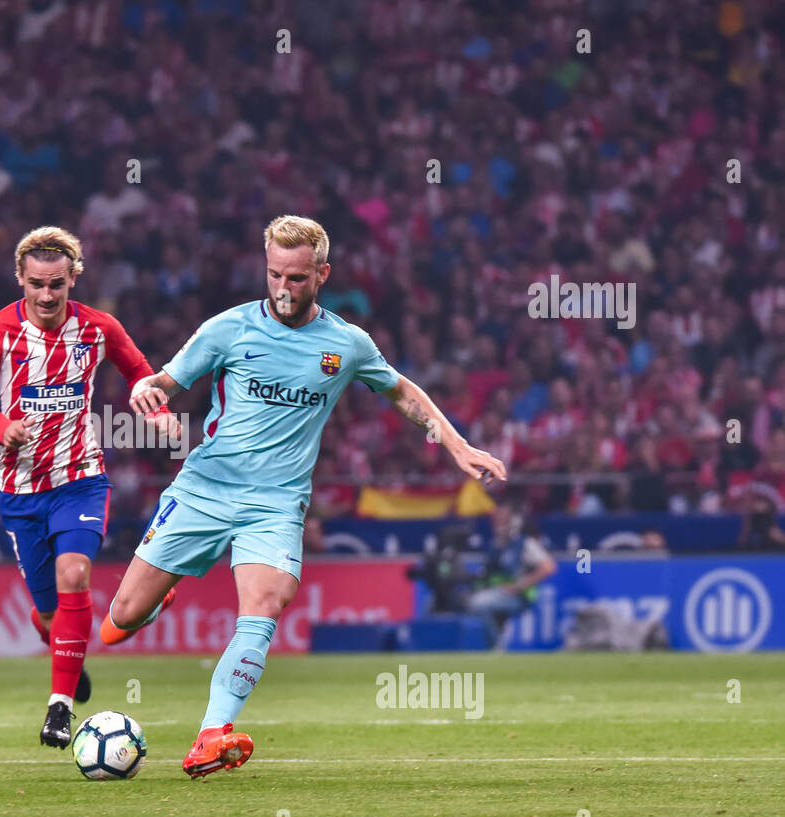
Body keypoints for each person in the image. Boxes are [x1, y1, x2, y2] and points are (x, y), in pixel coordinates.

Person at [99, 215, 507, 777]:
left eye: (296, 278)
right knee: (119, 621)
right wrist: (149, 395)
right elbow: (162, 383)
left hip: (275, 504)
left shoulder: (345, 344)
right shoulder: (228, 329)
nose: (283, 290)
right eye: (274, 276)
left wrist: (456, 445)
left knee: (265, 604)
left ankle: (210, 735)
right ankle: (162, 595)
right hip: (203, 491)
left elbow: (403, 392)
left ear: (322, 274)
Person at [0, 225, 179, 748]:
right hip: (20, 491)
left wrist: (158, 412)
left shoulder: (99, 329)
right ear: (20, 280)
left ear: (74, 277)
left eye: (57, 284)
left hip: (81, 481)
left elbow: (142, 375)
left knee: (75, 572)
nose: (46, 295)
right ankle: (64, 655)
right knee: (50, 612)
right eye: (36, 284)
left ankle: (58, 708)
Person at [464, 503, 556, 647]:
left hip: (518, 596)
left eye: (503, 520)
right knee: (462, 598)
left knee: (478, 603)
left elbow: (548, 567)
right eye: (496, 520)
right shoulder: (495, 544)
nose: (499, 524)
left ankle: (497, 645)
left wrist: (518, 586)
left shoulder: (524, 543)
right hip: (495, 592)